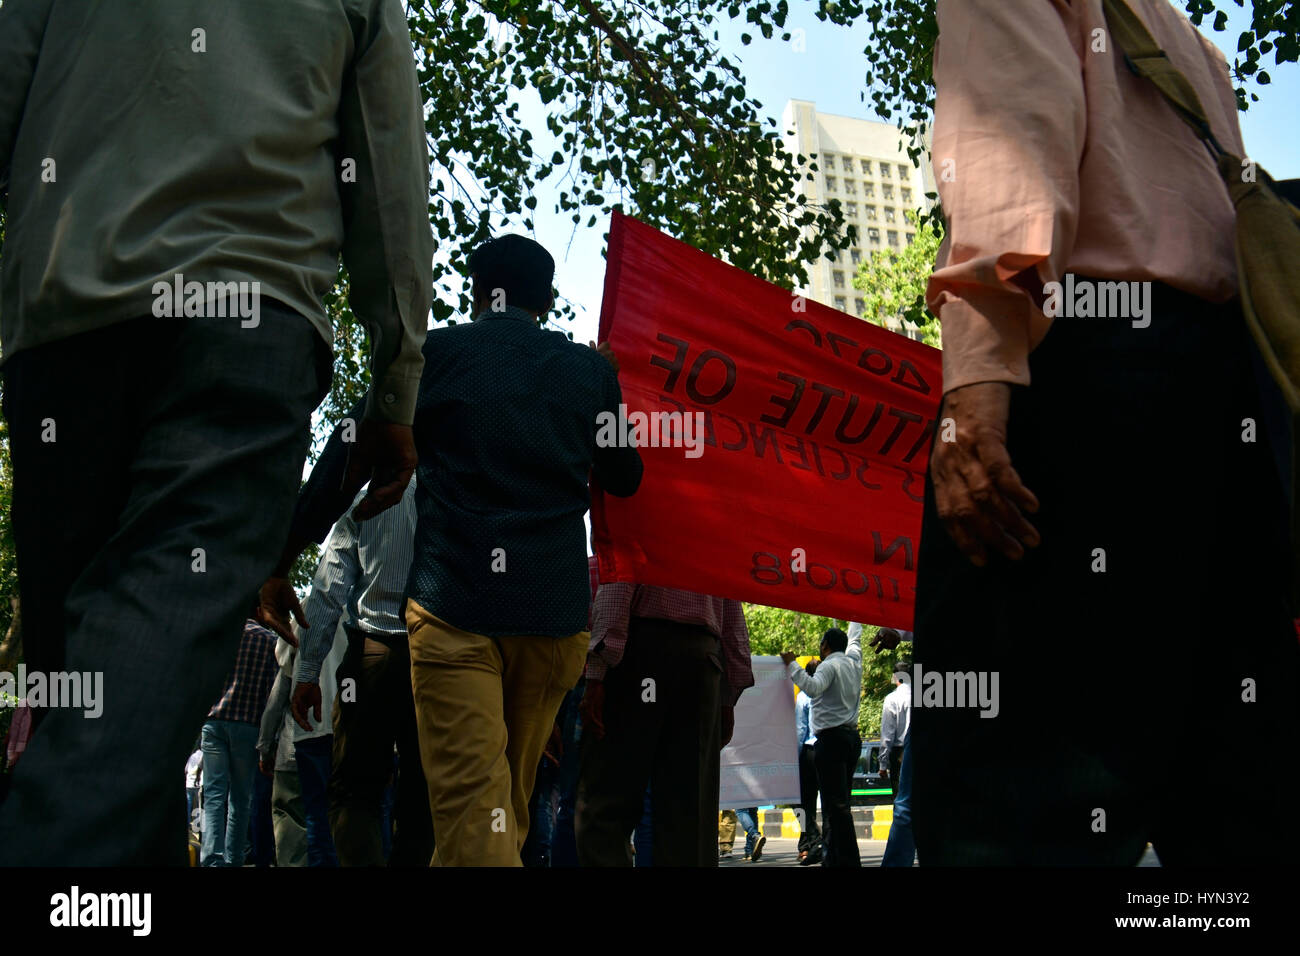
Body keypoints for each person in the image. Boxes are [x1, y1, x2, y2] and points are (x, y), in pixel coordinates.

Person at [0, 0, 432, 865]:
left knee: (84, 661)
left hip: (64, 318)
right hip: (247, 319)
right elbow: (387, 181)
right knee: (147, 641)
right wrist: (394, 390)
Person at [918, 0, 1300, 865]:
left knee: (1013, 798)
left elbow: (1007, 169)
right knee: (1231, 788)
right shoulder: (1189, 41)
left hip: (1089, 395)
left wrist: (975, 401)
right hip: (1228, 408)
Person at [404, 235, 644, 866]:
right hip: (552, 620)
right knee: (498, 807)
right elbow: (625, 476)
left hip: (451, 605)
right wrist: (608, 387)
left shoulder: (436, 355)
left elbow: (353, 453)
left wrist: (283, 545)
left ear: (477, 291)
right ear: (548, 299)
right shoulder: (590, 373)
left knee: (474, 813)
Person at [290, 477, 431, 867]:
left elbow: (328, 586)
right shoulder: (455, 487)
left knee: (355, 791)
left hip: (371, 656)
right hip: (436, 661)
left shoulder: (366, 499)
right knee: (423, 795)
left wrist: (307, 671)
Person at [576, 584, 753, 867]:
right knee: (690, 816)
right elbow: (731, 603)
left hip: (641, 654)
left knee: (607, 805)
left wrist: (597, 671)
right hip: (700, 663)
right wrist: (730, 689)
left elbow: (621, 578)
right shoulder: (715, 537)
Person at [261, 628, 347, 867]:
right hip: (345, 732)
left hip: (305, 733)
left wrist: (265, 744)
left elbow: (282, 685)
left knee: (299, 817)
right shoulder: (361, 610)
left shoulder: (307, 611)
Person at [200, 618, 280, 867]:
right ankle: (234, 858)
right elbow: (272, 692)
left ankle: (213, 859)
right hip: (248, 724)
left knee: (214, 793)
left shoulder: (222, 635)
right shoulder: (269, 641)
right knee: (240, 797)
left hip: (214, 720)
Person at [782, 625, 863, 867]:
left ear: (825, 645)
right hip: (850, 739)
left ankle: (847, 860)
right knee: (837, 804)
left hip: (831, 741)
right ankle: (834, 858)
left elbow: (813, 688)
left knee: (836, 808)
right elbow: (856, 639)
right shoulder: (853, 662)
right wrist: (855, 616)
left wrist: (792, 664)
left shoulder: (829, 665)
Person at [794, 660, 823, 865]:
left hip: (809, 752)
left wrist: (793, 758)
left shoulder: (803, 696)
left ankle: (811, 842)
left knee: (802, 803)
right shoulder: (827, 693)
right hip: (829, 749)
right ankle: (809, 845)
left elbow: (799, 730)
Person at [879, 661, 911, 801]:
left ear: (895, 678)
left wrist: (883, 764)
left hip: (900, 754)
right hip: (921, 751)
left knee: (900, 799)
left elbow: (887, 734)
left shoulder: (892, 699)